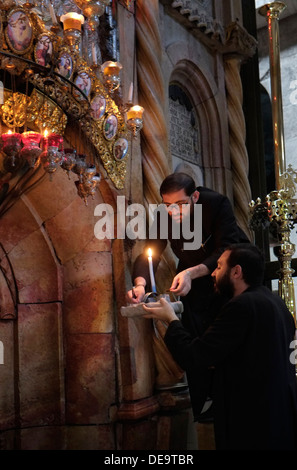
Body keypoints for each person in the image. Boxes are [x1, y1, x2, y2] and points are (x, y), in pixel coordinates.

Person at [142, 243, 297, 450]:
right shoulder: (276, 303)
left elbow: (195, 356)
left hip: (253, 424)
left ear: (236, 271)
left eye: (219, 266)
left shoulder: (241, 306)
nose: (213, 273)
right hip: (281, 418)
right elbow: (251, 355)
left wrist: (171, 319)